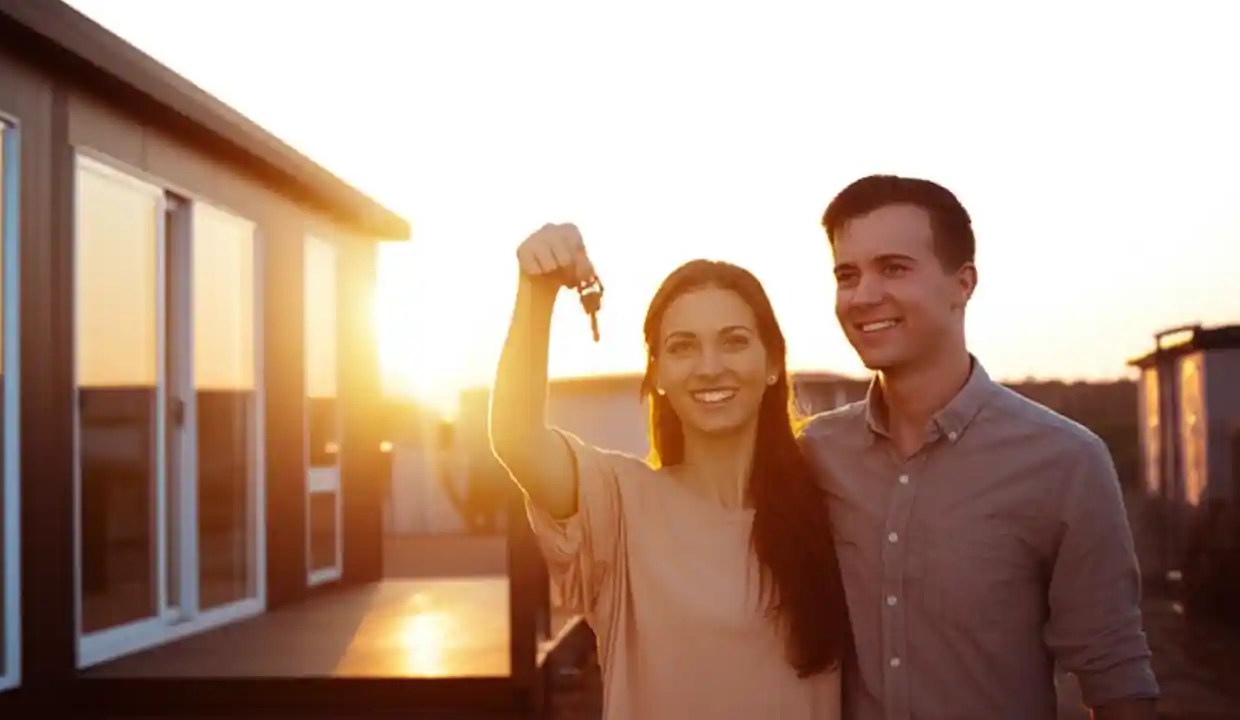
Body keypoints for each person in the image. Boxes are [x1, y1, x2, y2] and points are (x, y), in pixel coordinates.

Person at [802, 174, 1160, 719]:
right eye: (847, 275)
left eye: (894, 268)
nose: (864, 295)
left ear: (963, 283)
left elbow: (1114, 671)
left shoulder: (1064, 461)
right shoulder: (813, 455)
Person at [489, 223, 849, 719]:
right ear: (656, 374)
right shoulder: (619, 505)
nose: (709, 366)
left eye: (734, 341)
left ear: (772, 363)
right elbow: (517, 439)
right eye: (682, 347)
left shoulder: (835, 499)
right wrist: (538, 290)